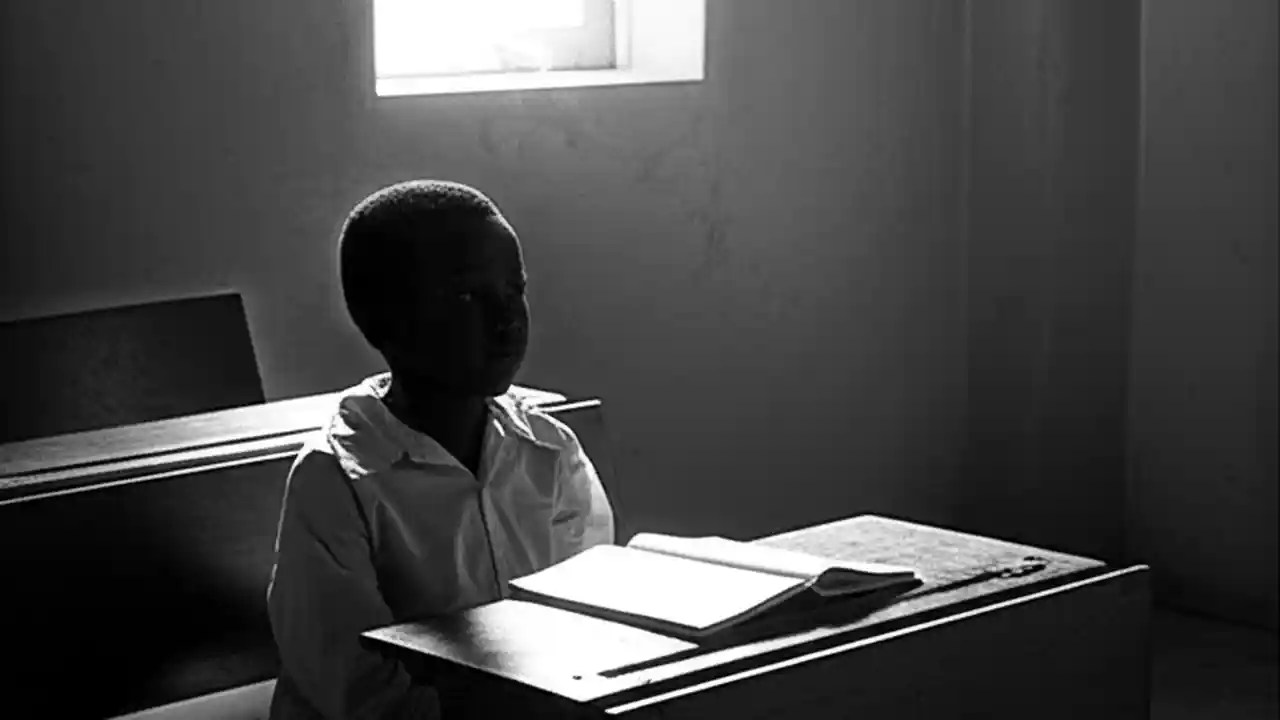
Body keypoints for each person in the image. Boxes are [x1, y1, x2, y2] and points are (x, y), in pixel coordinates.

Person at [266, 180, 615, 719]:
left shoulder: (549, 450)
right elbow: (355, 687)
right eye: (467, 297)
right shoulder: (337, 480)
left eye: (514, 289)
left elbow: (594, 621)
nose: (507, 319)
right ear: (385, 321)